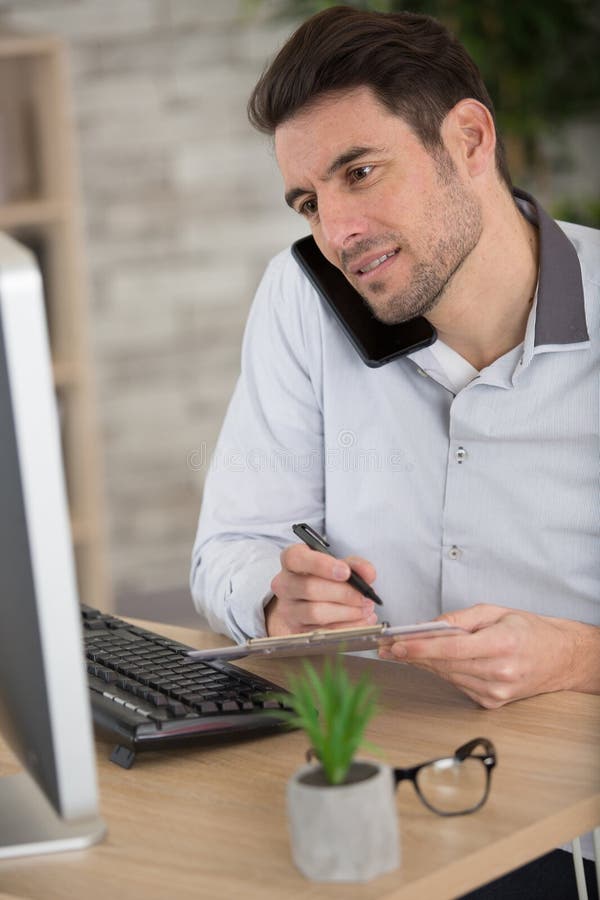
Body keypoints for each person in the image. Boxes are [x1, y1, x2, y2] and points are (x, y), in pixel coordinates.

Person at [191, 8, 599, 894]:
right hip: (380, 800)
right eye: (308, 202)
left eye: (360, 172)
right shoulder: (302, 301)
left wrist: (579, 657)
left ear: (470, 139)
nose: (337, 233)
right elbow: (227, 547)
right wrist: (274, 602)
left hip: (576, 836)